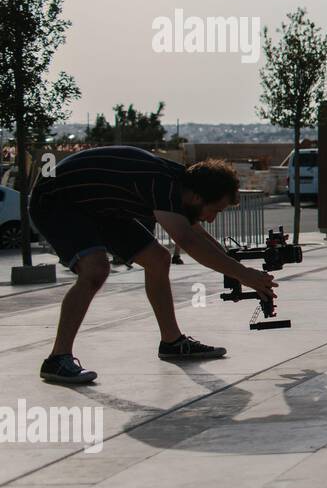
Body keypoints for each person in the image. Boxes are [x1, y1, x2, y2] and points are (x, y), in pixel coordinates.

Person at [27, 146, 278, 385]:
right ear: (197, 197)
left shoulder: (183, 186)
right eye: (215, 210)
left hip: (101, 209)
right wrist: (244, 275)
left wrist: (236, 269)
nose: (211, 219)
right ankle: (57, 359)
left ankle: (171, 341)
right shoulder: (163, 185)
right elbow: (187, 240)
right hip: (56, 201)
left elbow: (194, 231)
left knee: (158, 259)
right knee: (95, 270)